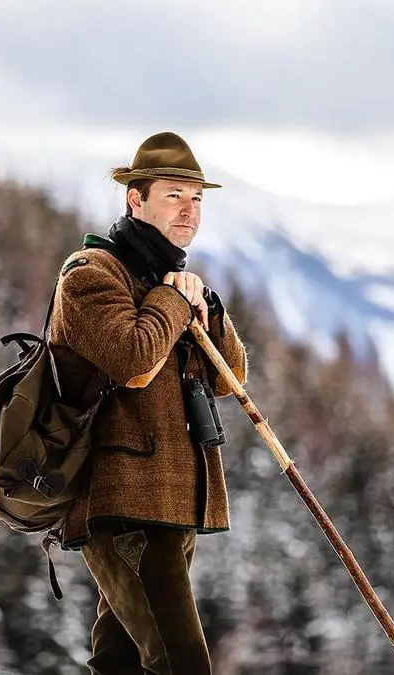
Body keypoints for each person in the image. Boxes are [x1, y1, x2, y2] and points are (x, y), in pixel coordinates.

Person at [46, 131, 249, 674]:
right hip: (123, 503)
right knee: (181, 663)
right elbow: (134, 361)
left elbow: (230, 379)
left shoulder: (171, 283)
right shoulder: (90, 274)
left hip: (173, 504)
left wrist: (207, 309)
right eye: (174, 195)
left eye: (197, 198)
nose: (189, 211)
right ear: (135, 200)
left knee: (120, 662)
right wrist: (173, 299)